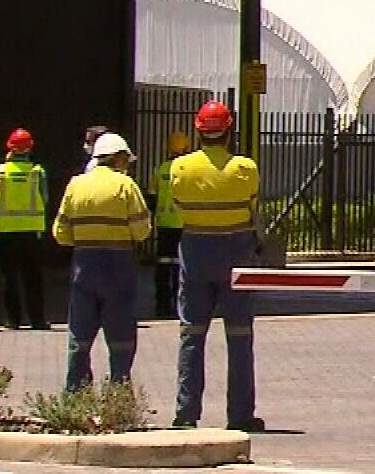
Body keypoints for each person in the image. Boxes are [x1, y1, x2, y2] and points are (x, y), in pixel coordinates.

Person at [167, 100, 264, 431]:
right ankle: (240, 416)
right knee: (240, 336)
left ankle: (185, 413)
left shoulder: (180, 168)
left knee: (191, 334)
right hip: (236, 253)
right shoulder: (245, 169)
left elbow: (178, 204)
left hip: (196, 251)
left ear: (198, 130)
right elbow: (252, 208)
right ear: (229, 130)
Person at [53, 133, 151, 392]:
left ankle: (75, 395)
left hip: (84, 266)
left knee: (80, 337)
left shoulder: (76, 185)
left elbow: (60, 234)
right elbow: (142, 231)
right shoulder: (125, 186)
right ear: (118, 158)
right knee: (120, 338)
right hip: (119, 268)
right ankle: (118, 394)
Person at [0, 128, 50, 330]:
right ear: (30, 148)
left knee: (9, 278)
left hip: (6, 232)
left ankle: (12, 320)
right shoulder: (38, 173)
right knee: (33, 278)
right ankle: (37, 320)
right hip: (31, 233)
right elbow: (45, 199)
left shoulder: (0, 172)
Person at [150, 129, 189, 318]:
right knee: (182, 266)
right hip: (183, 224)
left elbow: (152, 195)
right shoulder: (188, 170)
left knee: (163, 266)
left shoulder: (161, 169)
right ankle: (180, 304)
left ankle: (162, 306)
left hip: (163, 224)